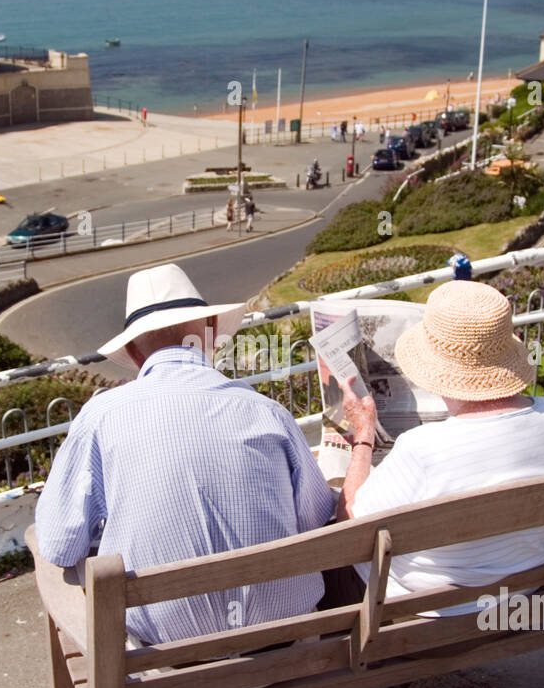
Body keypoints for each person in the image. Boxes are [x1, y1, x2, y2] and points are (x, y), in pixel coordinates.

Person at [34, 264, 337, 646]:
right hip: (284, 635)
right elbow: (312, 520)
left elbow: (60, 546)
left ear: (131, 350)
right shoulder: (266, 411)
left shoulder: (100, 417)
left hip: (164, 650)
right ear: (211, 333)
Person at [336, 280, 544, 616]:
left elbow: (351, 522)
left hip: (435, 618)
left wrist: (364, 436)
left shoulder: (423, 449)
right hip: (527, 596)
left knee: (325, 554)